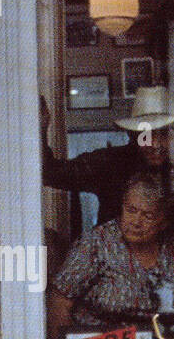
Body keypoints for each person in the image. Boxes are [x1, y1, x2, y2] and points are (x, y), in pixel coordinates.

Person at [47, 172, 173, 339]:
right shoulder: (96, 243)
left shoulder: (169, 249)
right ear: (122, 207)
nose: (136, 222)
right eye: (131, 210)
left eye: (148, 216)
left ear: (163, 222)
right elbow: (60, 302)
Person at [43, 85, 172, 234]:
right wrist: (40, 127)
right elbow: (50, 173)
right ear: (134, 136)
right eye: (146, 136)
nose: (155, 144)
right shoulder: (109, 163)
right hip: (113, 255)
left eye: (164, 134)